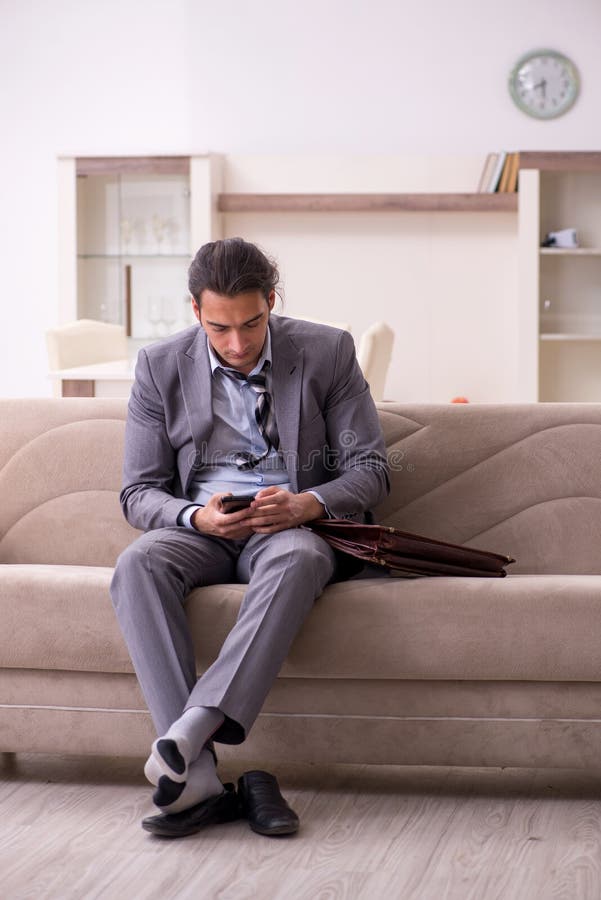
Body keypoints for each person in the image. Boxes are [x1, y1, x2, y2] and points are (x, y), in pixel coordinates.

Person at [110, 237, 389, 838]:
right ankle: (201, 772)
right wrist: (195, 518)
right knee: (137, 566)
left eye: (252, 323)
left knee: (294, 561)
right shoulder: (159, 367)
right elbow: (139, 492)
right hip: (205, 526)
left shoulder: (327, 351)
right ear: (194, 312)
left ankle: (191, 731)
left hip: (289, 525)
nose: (237, 345)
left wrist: (305, 504)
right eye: (218, 328)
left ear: (271, 300)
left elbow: (371, 468)